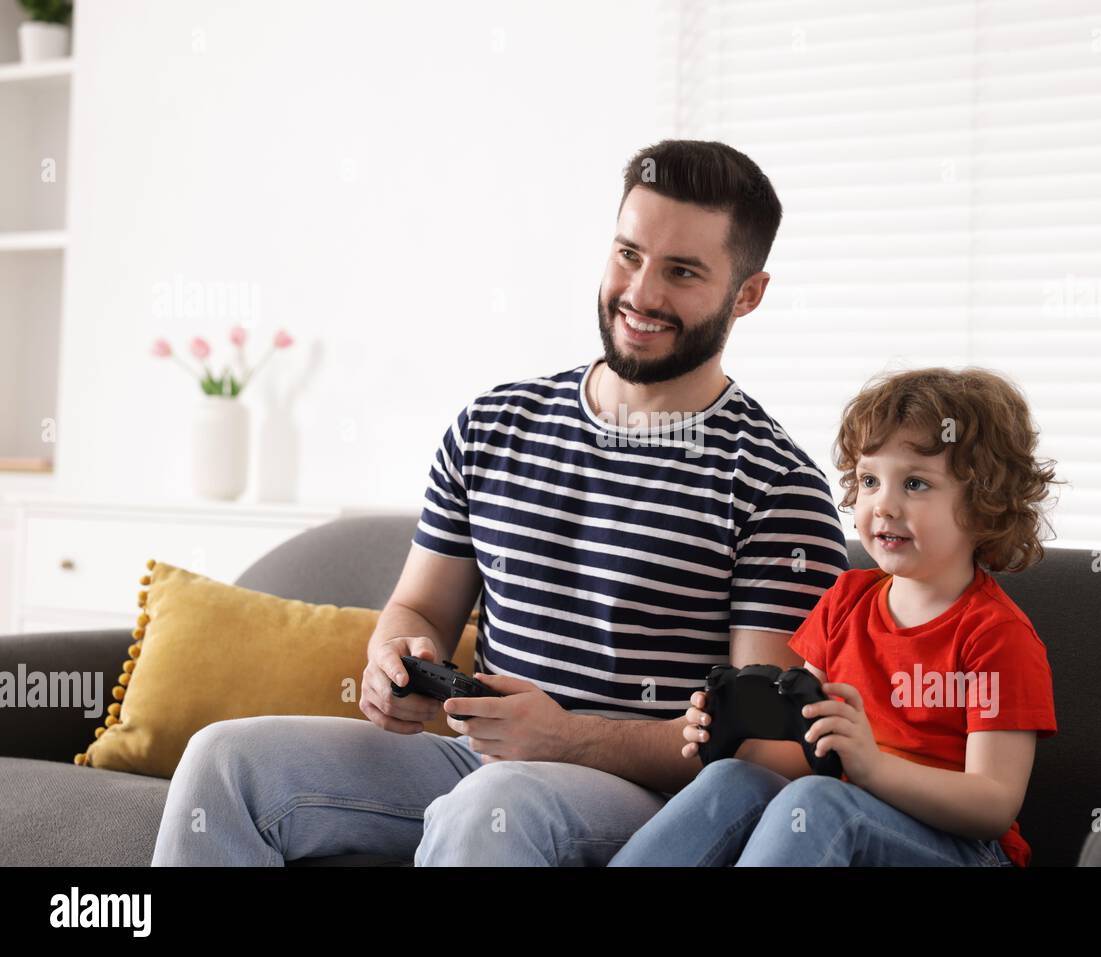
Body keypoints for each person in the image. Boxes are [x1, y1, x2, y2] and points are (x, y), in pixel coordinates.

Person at [150, 139, 851, 866]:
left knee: (495, 803)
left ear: (748, 294)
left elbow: (767, 753)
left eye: (682, 272)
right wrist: (396, 657)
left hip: (649, 803)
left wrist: (567, 738)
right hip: (474, 763)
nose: (641, 293)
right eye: (628, 254)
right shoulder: (493, 425)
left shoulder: (776, 486)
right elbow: (418, 609)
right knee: (223, 761)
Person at [609, 367, 1061, 867]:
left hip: (964, 851)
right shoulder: (846, 599)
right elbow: (806, 749)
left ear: (983, 505)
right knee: (730, 779)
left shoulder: (996, 635)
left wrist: (871, 768)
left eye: (914, 483)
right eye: (869, 480)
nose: (883, 505)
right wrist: (727, 735)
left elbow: (992, 806)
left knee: (820, 803)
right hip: (847, 819)